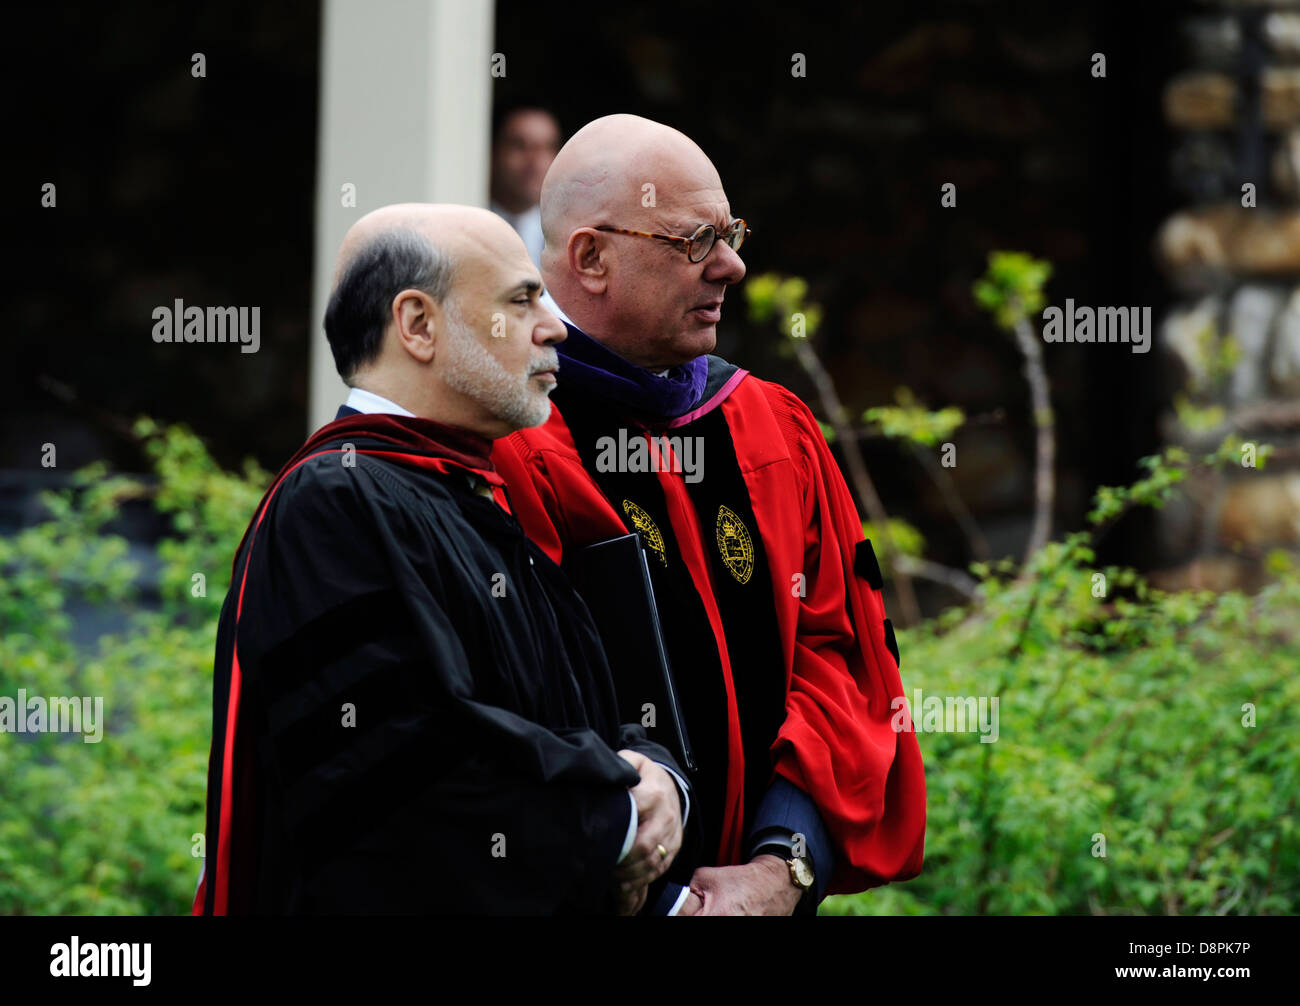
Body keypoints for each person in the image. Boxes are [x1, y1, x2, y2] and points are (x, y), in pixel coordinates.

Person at [192, 203, 690, 915]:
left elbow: (578, 716)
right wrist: (615, 821)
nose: (555, 328)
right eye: (523, 301)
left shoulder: (467, 497)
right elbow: (398, 777)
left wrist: (660, 782)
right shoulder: (335, 503)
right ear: (419, 326)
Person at [490, 115, 927, 916]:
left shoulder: (770, 428)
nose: (733, 264)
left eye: (731, 234)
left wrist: (782, 866)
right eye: (696, 241)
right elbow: (504, 726)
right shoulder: (507, 446)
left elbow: (838, 662)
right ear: (592, 258)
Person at [489, 106, 561, 267]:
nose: (535, 161)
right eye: (519, 145)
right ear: (492, 152)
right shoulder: (469, 221)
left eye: (546, 147)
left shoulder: (568, 232)